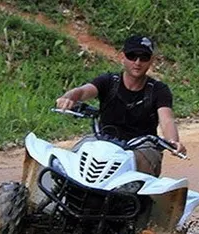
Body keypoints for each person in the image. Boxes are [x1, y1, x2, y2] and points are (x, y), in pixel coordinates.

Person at [54, 34, 185, 177]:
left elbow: (166, 119)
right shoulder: (108, 81)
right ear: (122, 57)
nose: (137, 62)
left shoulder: (159, 90)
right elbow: (83, 91)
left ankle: (139, 191)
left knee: (143, 161)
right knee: (75, 156)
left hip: (141, 146)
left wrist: (173, 141)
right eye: (132, 56)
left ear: (151, 60)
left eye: (144, 57)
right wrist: (69, 97)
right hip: (104, 140)